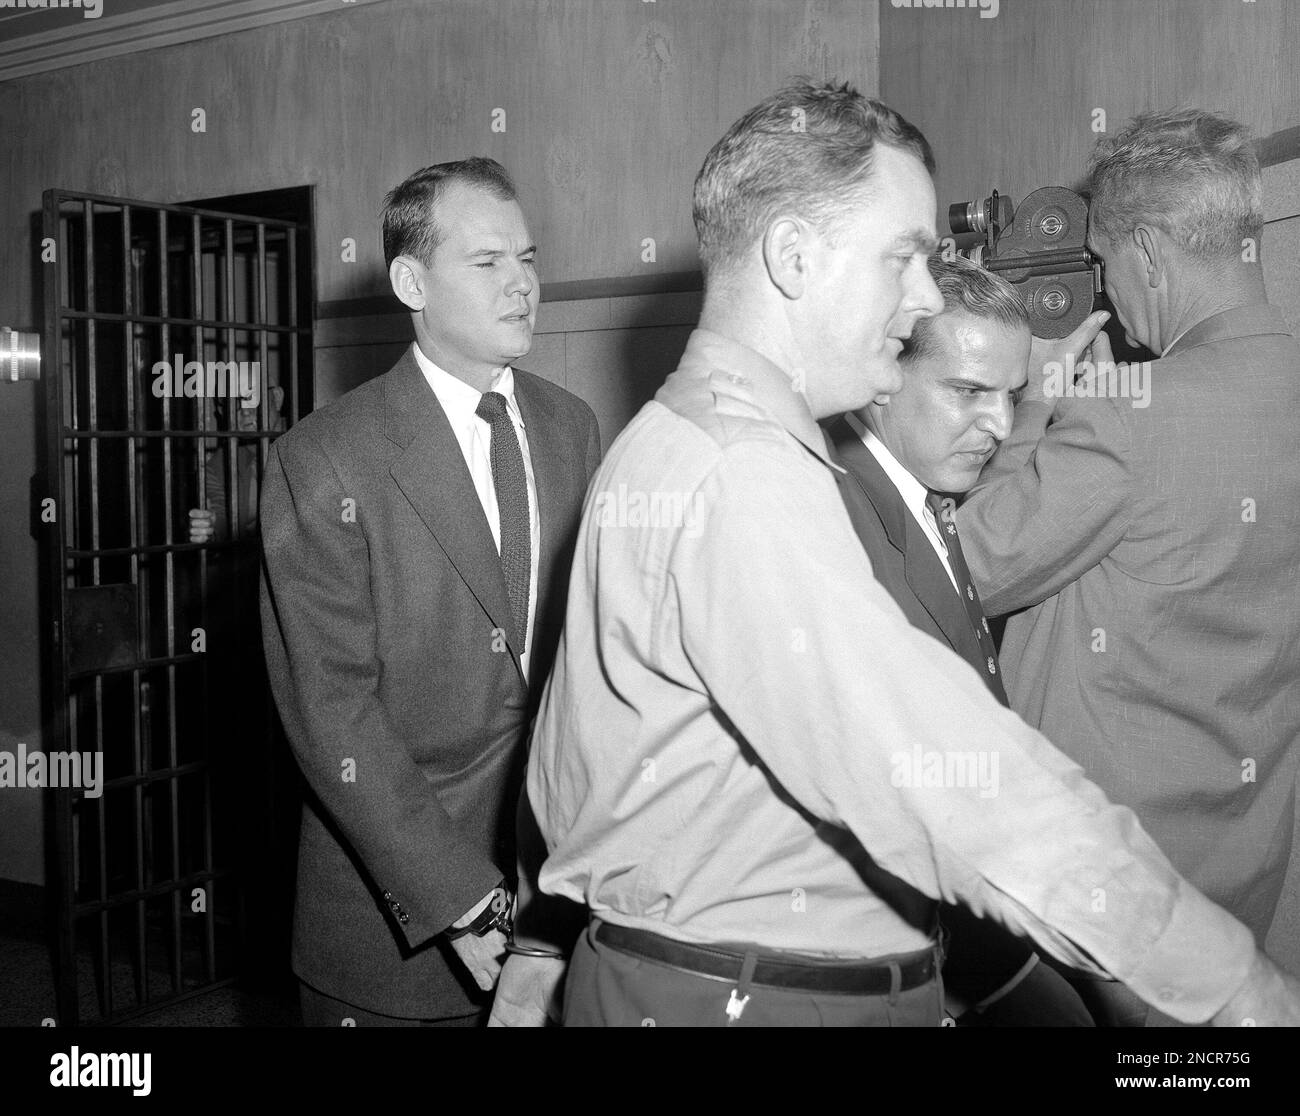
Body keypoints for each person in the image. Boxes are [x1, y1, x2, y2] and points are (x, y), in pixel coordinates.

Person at [495, 80, 1300, 1028]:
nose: (925, 298)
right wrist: (1227, 984)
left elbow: (559, 782)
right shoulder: (739, 475)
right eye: (905, 258)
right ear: (794, 257)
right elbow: (941, 772)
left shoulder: (677, 441)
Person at [956, 109, 1300, 1026]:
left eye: (1106, 264)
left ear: (1149, 250)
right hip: (1242, 862)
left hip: (1107, 885)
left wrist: (1031, 410)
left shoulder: (1129, 413)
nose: (1108, 289)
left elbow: (966, 569)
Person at [259, 156, 601, 1026]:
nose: (522, 285)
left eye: (527, 259)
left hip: (560, 896)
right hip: (395, 921)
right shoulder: (325, 456)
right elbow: (331, 709)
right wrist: (461, 898)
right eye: (488, 263)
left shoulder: (572, 426)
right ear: (411, 281)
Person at [827, 254, 1090, 1026]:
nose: (1000, 425)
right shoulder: (833, 510)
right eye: (969, 392)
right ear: (882, 369)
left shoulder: (922, 484)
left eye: (1012, 396)